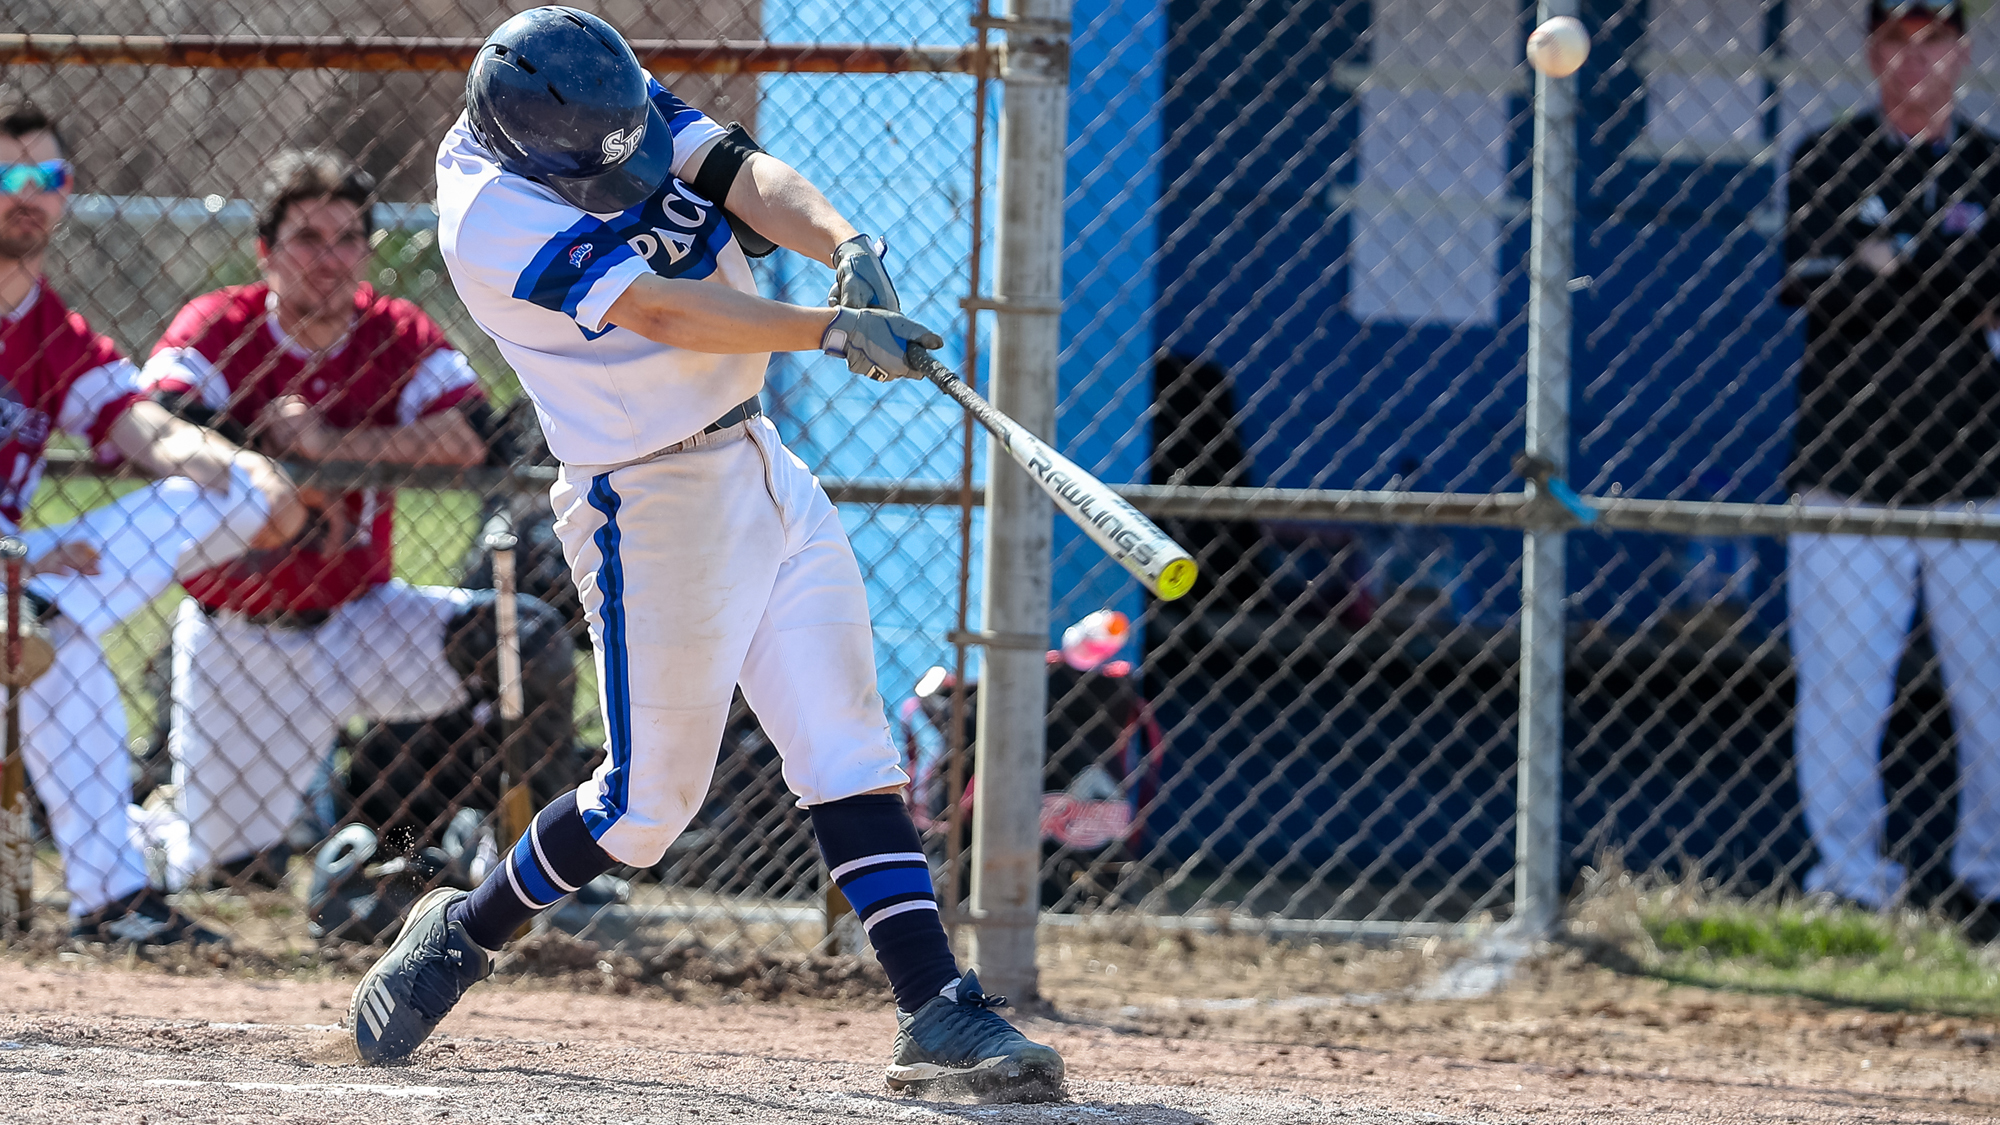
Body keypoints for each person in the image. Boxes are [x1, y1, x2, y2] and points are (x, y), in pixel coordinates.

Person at [346, 6, 1065, 1097]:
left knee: (846, 745)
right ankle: (464, 929)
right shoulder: (486, 212)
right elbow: (664, 312)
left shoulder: (600, 98)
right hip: (646, 498)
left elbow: (736, 171)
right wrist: (823, 330)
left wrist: (845, 244)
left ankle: (937, 1011)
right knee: (643, 809)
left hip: (758, 460)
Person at [139, 150, 575, 891]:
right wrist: (278, 469)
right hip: (239, 636)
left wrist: (332, 446)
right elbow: (161, 415)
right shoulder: (223, 323)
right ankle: (157, 827)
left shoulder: (393, 331)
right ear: (266, 250)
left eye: (347, 238)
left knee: (521, 641)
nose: (330, 258)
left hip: (358, 619)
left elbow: (475, 434)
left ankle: (539, 862)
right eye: (308, 237)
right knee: (232, 874)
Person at [0, 102, 303, 943]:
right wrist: (26, 558)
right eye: (8, 176)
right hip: (11, 566)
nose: (27, 194)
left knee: (221, 501)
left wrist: (238, 463)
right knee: (51, 633)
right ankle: (112, 900)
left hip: (17, 585)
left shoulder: (52, 331)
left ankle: (112, 905)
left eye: (46, 178)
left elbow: (143, 426)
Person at [1781, 0, 2000, 931]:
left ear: (1962, 50)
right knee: (1841, 691)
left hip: (1976, 470)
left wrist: (1889, 263)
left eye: (1935, 42)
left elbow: (1983, 295)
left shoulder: (1992, 163)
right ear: (1874, 54)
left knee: (1992, 688)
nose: (1916, 62)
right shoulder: (1826, 157)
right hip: (1846, 468)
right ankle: (1851, 884)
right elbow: (1809, 283)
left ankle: (1989, 879)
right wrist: (1943, 275)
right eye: (1898, 44)